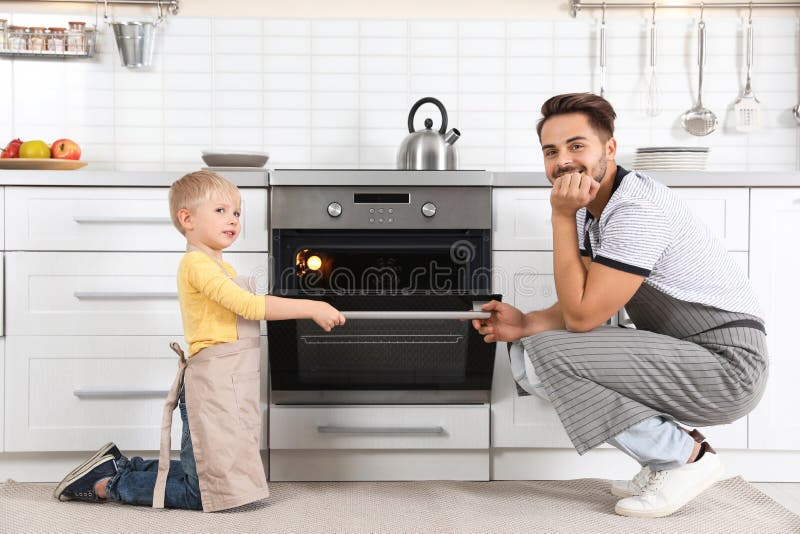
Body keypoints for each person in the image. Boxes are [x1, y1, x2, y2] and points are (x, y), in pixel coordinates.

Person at [473, 93, 768, 518]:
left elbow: (581, 318)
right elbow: (587, 296)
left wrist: (558, 216)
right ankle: (664, 458)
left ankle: (686, 459)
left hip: (728, 367)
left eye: (577, 146)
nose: (562, 162)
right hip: (689, 353)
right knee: (531, 350)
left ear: (609, 149)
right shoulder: (592, 208)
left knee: (550, 351)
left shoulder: (635, 208)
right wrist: (527, 323)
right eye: (551, 151)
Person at [53, 170, 345, 511]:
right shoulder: (197, 265)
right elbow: (249, 306)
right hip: (211, 387)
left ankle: (121, 466)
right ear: (187, 219)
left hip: (229, 382)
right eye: (221, 211)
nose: (233, 219)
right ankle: (107, 484)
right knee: (202, 490)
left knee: (215, 472)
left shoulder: (219, 266)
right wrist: (311, 306)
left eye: (237, 212)